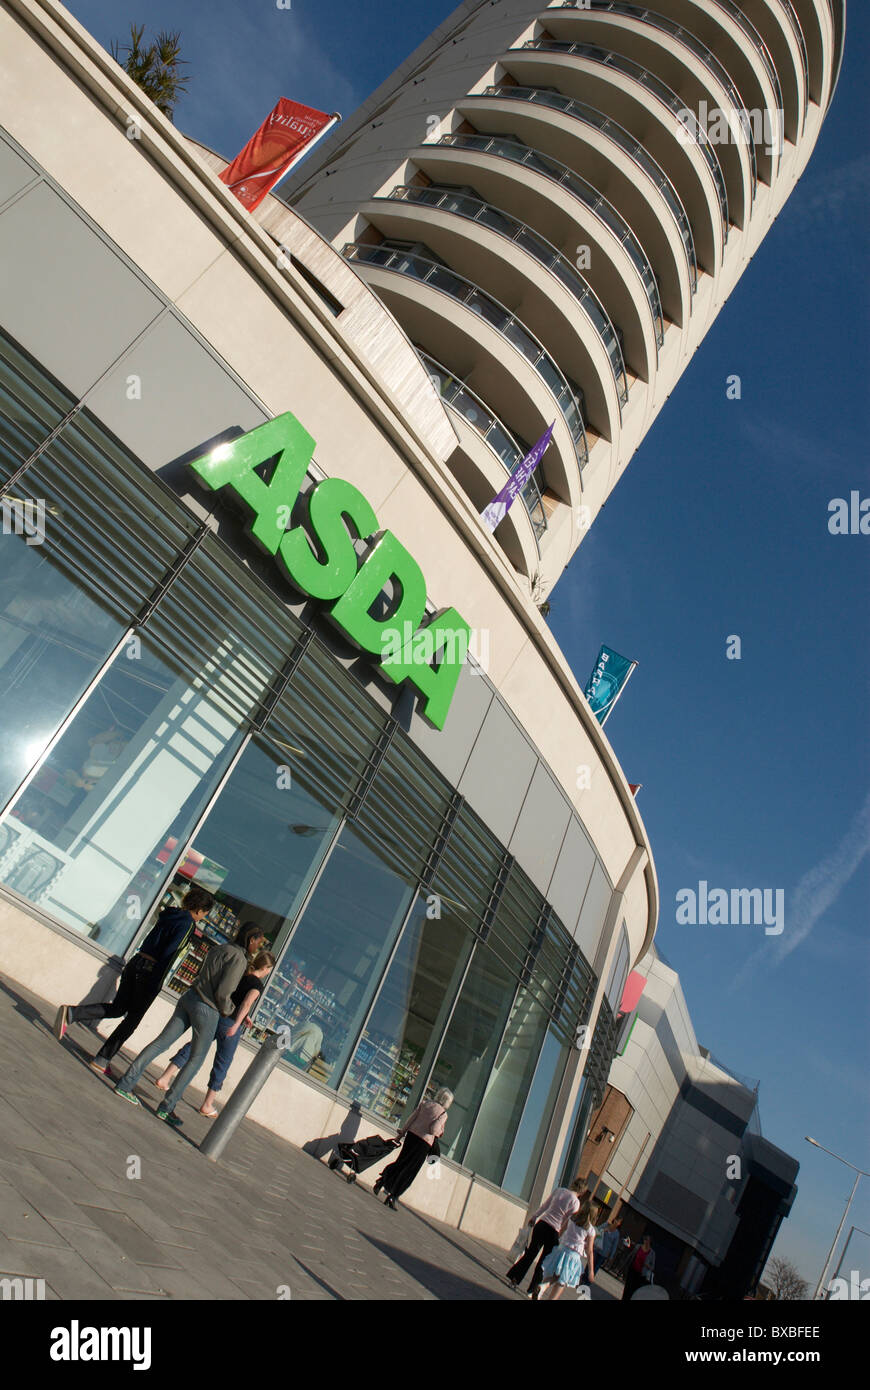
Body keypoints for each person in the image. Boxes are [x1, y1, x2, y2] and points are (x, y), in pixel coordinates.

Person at [53, 887, 213, 1073]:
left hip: (136, 962)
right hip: (150, 972)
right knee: (132, 1020)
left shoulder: (169, 914)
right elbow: (170, 953)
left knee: (119, 1008)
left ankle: (72, 1014)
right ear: (200, 910)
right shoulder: (187, 925)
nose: (203, 917)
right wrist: (157, 982)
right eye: (205, 913)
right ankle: (102, 1058)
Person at [114, 928, 248, 1125]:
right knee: (196, 1059)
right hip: (208, 1008)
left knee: (161, 1042)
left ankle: (125, 1083)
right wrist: (228, 1009)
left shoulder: (220, 948)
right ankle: (167, 1107)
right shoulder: (239, 958)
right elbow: (224, 992)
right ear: (251, 939)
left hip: (191, 996)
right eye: (258, 941)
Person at [154, 949, 275, 1116]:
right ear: (266, 968)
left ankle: (165, 1077)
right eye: (270, 969)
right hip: (230, 1024)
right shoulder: (257, 985)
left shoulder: (242, 974)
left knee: (194, 1047)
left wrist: (243, 1017)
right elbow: (246, 1004)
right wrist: (238, 1023)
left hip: (217, 1015)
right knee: (222, 1063)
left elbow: (232, 996)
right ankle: (208, 1104)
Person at [506, 1177, 587, 1297]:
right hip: (554, 1231)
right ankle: (533, 1290)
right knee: (543, 1262)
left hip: (542, 1224)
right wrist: (561, 1237)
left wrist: (535, 1216)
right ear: (582, 1191)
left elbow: (545, 1205)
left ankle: (514, 1279)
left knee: (530, 1254)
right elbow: (567, 1222)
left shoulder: (559, 1190)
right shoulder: (576, 1203)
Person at [374, 1088, 453, 1210]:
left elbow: (411, 1119)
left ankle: (383, 1179)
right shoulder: (443, 1114)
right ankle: (393, 1196)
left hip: (411, 1136)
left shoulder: (425, 1104)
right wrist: (440, 1131)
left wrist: (401, 1135)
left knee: (401, 1162)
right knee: (410, 1171)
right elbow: (433, 1130)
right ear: (447, 1102)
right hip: (423, 1143)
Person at [536, 1194, 599, 1300]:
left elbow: (561, 1230)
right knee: (561, 1282)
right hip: (573, 1256)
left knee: (552, 1274)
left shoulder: (572, 1219)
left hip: (561, 1249)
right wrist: (591, 1271)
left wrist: (560, 1243)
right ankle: (546, 1293)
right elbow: (590, 1251)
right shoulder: (590, 1230)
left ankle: (542, 1288)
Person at [622, 1234, 655, 1300]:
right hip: (632, 1270)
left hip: (641, 1274)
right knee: (627, 1287)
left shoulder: (652, 1253)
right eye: (645, 1239)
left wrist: (647, 1265)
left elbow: (653, 1267)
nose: (645, 1241)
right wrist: (624, 1266)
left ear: (650, 1242)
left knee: (634, 1290)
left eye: (647, 1240)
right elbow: (630, 1256)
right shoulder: (638, 1247)